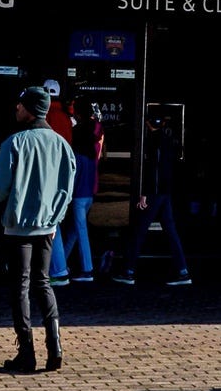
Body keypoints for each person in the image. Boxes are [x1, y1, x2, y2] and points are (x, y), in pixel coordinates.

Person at [0, 80, 76, 374]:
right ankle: (56, 347)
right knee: (43, 282)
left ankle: (26, 353)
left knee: (20, 287)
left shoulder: (14, 143)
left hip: (18, 227)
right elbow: (67, 190)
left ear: (30, 110)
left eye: (21, 104)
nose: (17, 107)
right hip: (48, 227)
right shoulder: (63, 145)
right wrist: (55, 218)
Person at [116, 106, 190, 287]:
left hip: (155, 192)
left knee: (139, 230)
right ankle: (183, 271)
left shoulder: (152, 141)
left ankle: (129, 271)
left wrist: (145, 194)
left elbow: (154, 170)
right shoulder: (169, 140)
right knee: (171, 231)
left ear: (148, 123)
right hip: (165, 192)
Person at [59, 100, 104, 288]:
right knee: (74, 231)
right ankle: (63, 263)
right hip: (89, 194)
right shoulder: (92, 154)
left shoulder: (76, 154)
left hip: (78, 195)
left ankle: (87, 269)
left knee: (79, 231)